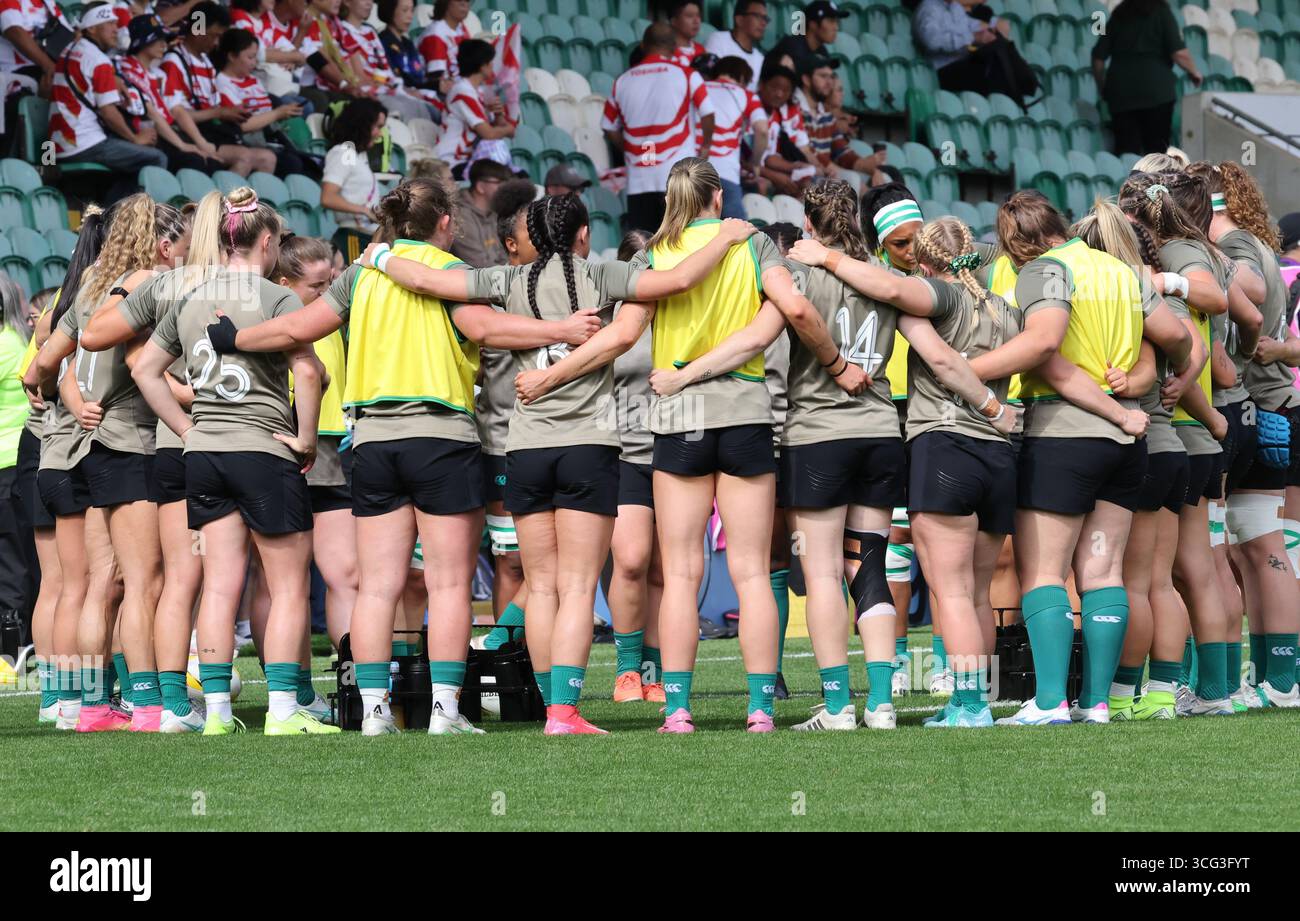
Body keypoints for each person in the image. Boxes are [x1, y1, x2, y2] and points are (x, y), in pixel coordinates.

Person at [198, 178, 603, 737]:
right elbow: (485, 328)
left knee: (379, 586)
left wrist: (234, 339)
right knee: (449, 584)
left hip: (372, 442)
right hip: (440, 437)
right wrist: (560, 330)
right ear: (444, 223)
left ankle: (375, 712)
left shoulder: (360, 276)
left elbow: (297, 327)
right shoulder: (448, 275)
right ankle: (444, 711)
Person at [622, 157, 870, 732]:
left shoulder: (650, 255)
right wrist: (837, 364)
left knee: (682, 574)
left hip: (677, 417)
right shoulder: (754, 244)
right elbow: (784, 312)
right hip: (747, 414)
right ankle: (760, 709)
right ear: (717, 200)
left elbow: (624, 334)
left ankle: (678, 709)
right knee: (754, 573)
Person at [968, 190, 1189, 726]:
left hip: (1063, 433)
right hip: (1125, 440)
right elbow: (1178, 335)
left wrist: (965, 369)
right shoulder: (1120, 269)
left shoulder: (1044, 271)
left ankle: (1049, 702)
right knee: (1103, 571)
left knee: (1043, 571)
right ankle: (1094, 702)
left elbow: (1044, 345)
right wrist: (1162, 377)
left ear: (1020, 241)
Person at [129, 187, 337, 737]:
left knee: (219, 585)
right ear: (265, 242)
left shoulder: (189, 297)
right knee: (288, 586)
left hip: (205, 455)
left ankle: (217, 714)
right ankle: (286, 710)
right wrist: (309, 438)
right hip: (263, 447)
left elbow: (147, 370)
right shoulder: (275, 297)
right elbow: (309, 371)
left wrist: (186, 429)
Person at [42, 196, 190, 733]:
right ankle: (150, 706)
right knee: (143, 582)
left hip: (86, 446)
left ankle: (91, 706)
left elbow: (42, 361)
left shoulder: (88, 285)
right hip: (130, 442)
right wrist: (197, 401)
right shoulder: (145, 283)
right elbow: (138, 364)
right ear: (161, 240)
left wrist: (68, 397)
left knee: (100, 582)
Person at [1189, 162, 1300, 708]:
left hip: (1243, 405)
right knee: (1263, 544)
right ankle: (1280, 680)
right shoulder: (1258, 242)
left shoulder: (1232, 248)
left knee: (1214, 549)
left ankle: (1218, 684)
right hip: (1276, 408)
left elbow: (1243, 314)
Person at [272, 236, 356, 664]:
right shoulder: (278, 318)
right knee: (281, 581)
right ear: (284, 283)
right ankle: (290, 686)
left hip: (334, 445)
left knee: (346, 573)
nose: (329, 295)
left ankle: (353, 677)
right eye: (318, 286)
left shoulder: (330, 316)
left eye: (332, 283)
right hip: (287, 444)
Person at [475, 178, 537, 648]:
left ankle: (511, 653)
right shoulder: (489, 293)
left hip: (556, 438)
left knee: (543, 563)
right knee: (512, 560)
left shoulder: (561, 287)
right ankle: (503, 661)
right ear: (510, 243)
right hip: (502, 445)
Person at [603, 22, 715, 233]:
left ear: (643, 46)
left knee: (645, 249)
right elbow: (708, 114)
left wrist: (629, 148)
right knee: (682, 244)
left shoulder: (623, 81)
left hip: (639, 179)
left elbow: (608, 126)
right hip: (678, 178)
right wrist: (706, 147)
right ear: (674, 47)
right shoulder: (688, 75)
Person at [50, 5, 168, 187]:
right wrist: (136, 139)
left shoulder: (69, 49)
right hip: (85, 144)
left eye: (116, 23)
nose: (117, 29)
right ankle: (125, 214)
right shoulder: (99, 60)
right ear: (92, 28)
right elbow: (108, 114)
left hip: (61, 143)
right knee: (157, 158)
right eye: (110, 24)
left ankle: (113, 210)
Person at [162, 2, 278, 177]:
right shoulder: (174, 61)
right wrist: (219, 113)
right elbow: (175, 114)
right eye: (214, 36)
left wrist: (225, 113)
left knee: (267, 158)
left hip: (212, 132)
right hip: (187, 134)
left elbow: (212, 109)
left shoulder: (207, 63)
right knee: (244, 157)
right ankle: (223, 203)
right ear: (198, 30)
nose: (216, 43)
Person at [117, 15, 225, 174]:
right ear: (142, 40)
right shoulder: (127, 68)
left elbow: (177, 109)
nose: (163, 44)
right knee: (194, 161)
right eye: (157, 39)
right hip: (149, 134)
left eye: (165, 39)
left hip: (168, 131)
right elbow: (152, 114)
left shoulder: (159, 73)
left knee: (212, 162)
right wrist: (182, 145)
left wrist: (199, 143)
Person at [1092, 0, 1201, 156]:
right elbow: (1179, 53)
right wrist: (1194, 72)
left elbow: (1098, 58)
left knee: (1127, 153)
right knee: (1156, 154)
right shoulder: (1162, 12)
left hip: (1121, 94)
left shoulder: (1120, 13)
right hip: (1157, 93)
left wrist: (1102, 87)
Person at [213, 27, 313, 178]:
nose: (254, 63)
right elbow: (243, 125)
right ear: (232, 56)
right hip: (244, 142)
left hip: (267, 139)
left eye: (255, 58)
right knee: (292, 164)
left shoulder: (253, 80)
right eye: (250, 58)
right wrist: (277, 114)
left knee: (302, 163)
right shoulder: (222, 83)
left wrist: (284, 113)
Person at [340, 0, 440, 121]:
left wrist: (398, 87)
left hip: (387, 88)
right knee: (404, 110)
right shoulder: (341, 31)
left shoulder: (370, 31)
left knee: (430, 110)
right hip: (368, 92)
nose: (369, 3)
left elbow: (385, 67)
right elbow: (357, 76)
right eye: (404, 10)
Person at [433, 38, 516, 177]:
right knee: (503, 177)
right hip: (451, 161)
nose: (493, 66)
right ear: (482, 66)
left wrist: (498, 114)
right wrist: (509, 129)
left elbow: (497, 127)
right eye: (490, 62)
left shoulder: (480, 92)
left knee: (518, 176)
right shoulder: (462, 91)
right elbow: (488, 134)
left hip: (470, 160)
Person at [0, 271, 30, 652]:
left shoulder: (6, 344)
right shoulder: (13, 341)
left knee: (10, 560)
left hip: (7, 463)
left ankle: (11, 647)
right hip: (12, 462)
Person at [698, 55, 767, 219]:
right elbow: (763, 130)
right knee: (737, 238)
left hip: (692, 172)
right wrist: (755, 163)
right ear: (742, 78)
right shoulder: (747, 96)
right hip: (725, 174)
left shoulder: (697, 89)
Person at [321, 97, 385, 257]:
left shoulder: (359, 156)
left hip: (365, 236)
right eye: (378, 127)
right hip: (352, 237)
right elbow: (327, 197)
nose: (380, 134)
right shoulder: (343, 152)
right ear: (363, 124)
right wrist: (364, 211)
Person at [755, 62, 821, 197]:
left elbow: (768, 157)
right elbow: (742, 160)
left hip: (761, 170)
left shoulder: (775, 117)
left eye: (785, 90)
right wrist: (774, 176)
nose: (779, 94)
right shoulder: (750, 111)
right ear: (761, 85)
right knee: (764, 186)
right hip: (745, 173)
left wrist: (794, 166)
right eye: (774, 87)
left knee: (806, 184)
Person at [451, 158, 513, 268]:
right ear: (480, 187)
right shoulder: (461, 215)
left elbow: (505, 254)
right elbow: (477, 264)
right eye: (499, 183)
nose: (505, 188)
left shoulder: (495, 212)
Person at [767, 0, 848, 77]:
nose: (836, 27)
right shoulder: (791, 49)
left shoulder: (821, 51)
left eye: (837, 22)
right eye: (831, 21)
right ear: (813, 24)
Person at [378, 0, 440, 99]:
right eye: (405, 10)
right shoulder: (383, 41)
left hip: (418, 91)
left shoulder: (408, 43)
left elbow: (418, 76)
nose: (410, 16)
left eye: (412, 10)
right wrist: (436, 85)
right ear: (390, 11)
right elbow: (399, 78)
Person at [704, 0, 765, 90]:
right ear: (739, 20)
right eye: (757, 16)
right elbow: (710, 79)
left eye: (765, 18)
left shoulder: (760, 58)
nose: (763, 23)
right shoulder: (719, 39)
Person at [417, 0, 470, 86]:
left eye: (467, 0)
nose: (464, 4)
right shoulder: (435, 33)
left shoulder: (461, 29)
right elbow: (437, 79)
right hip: (437, 94)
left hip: (458, 86)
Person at [666, 0, 705, 70]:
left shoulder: (701, 50)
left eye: (698, 16)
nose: (696, 21)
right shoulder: (665, 52)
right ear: (673, 21)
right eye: (689, 16)